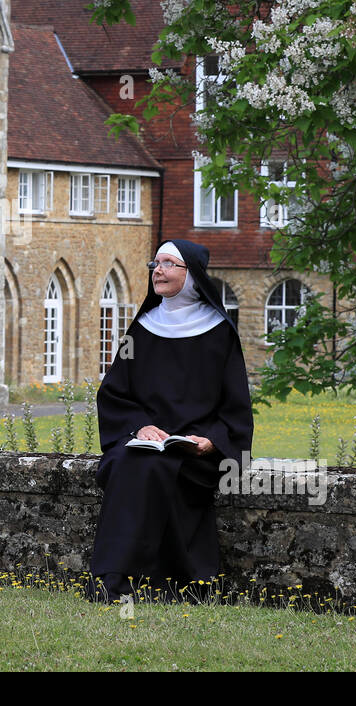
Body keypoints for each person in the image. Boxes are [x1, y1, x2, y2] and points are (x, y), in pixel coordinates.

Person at [87, 239, 254, 603]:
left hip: (196, 451)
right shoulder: (143, 329)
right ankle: (113, 579)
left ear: (190, 274)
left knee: (156, 470)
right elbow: (113, 393)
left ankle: (151, 582)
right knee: (128, 464)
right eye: (155, 264)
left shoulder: (220, 332)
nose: (157, 271)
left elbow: (236, 406)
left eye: (167, 264)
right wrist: (138, 426)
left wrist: (212, 440)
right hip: (144, 443)